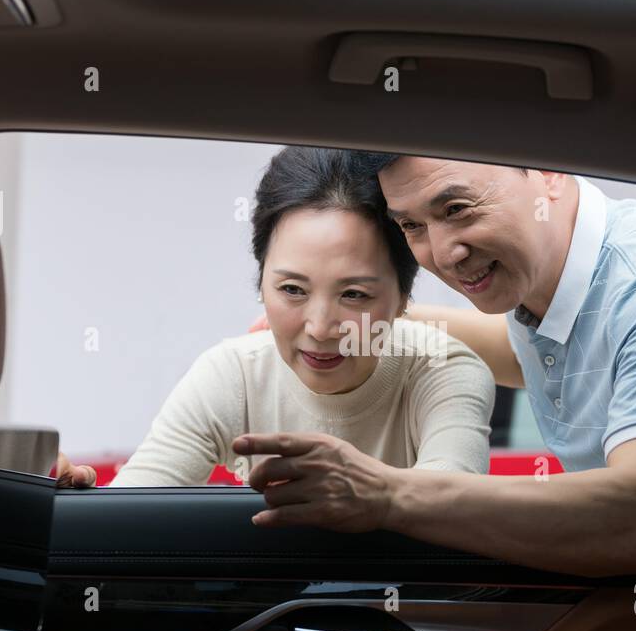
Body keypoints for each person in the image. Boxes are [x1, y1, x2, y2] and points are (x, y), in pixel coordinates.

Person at [232, 155, 636, 576]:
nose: (442, 251)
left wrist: (385, 493)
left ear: (549, 170)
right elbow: (513, 351)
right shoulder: (547, 283)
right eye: (411, 226)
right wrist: (363, 324)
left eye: (457, 208)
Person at [56, 147, 494, 489]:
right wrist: (70, 498)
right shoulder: (234, 376)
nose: (321, 328)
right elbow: (136, 512)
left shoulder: (442, 370)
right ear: (260, 282)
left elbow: (451, 503)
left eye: (354, 294)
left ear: (403, 299)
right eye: (292, 290)